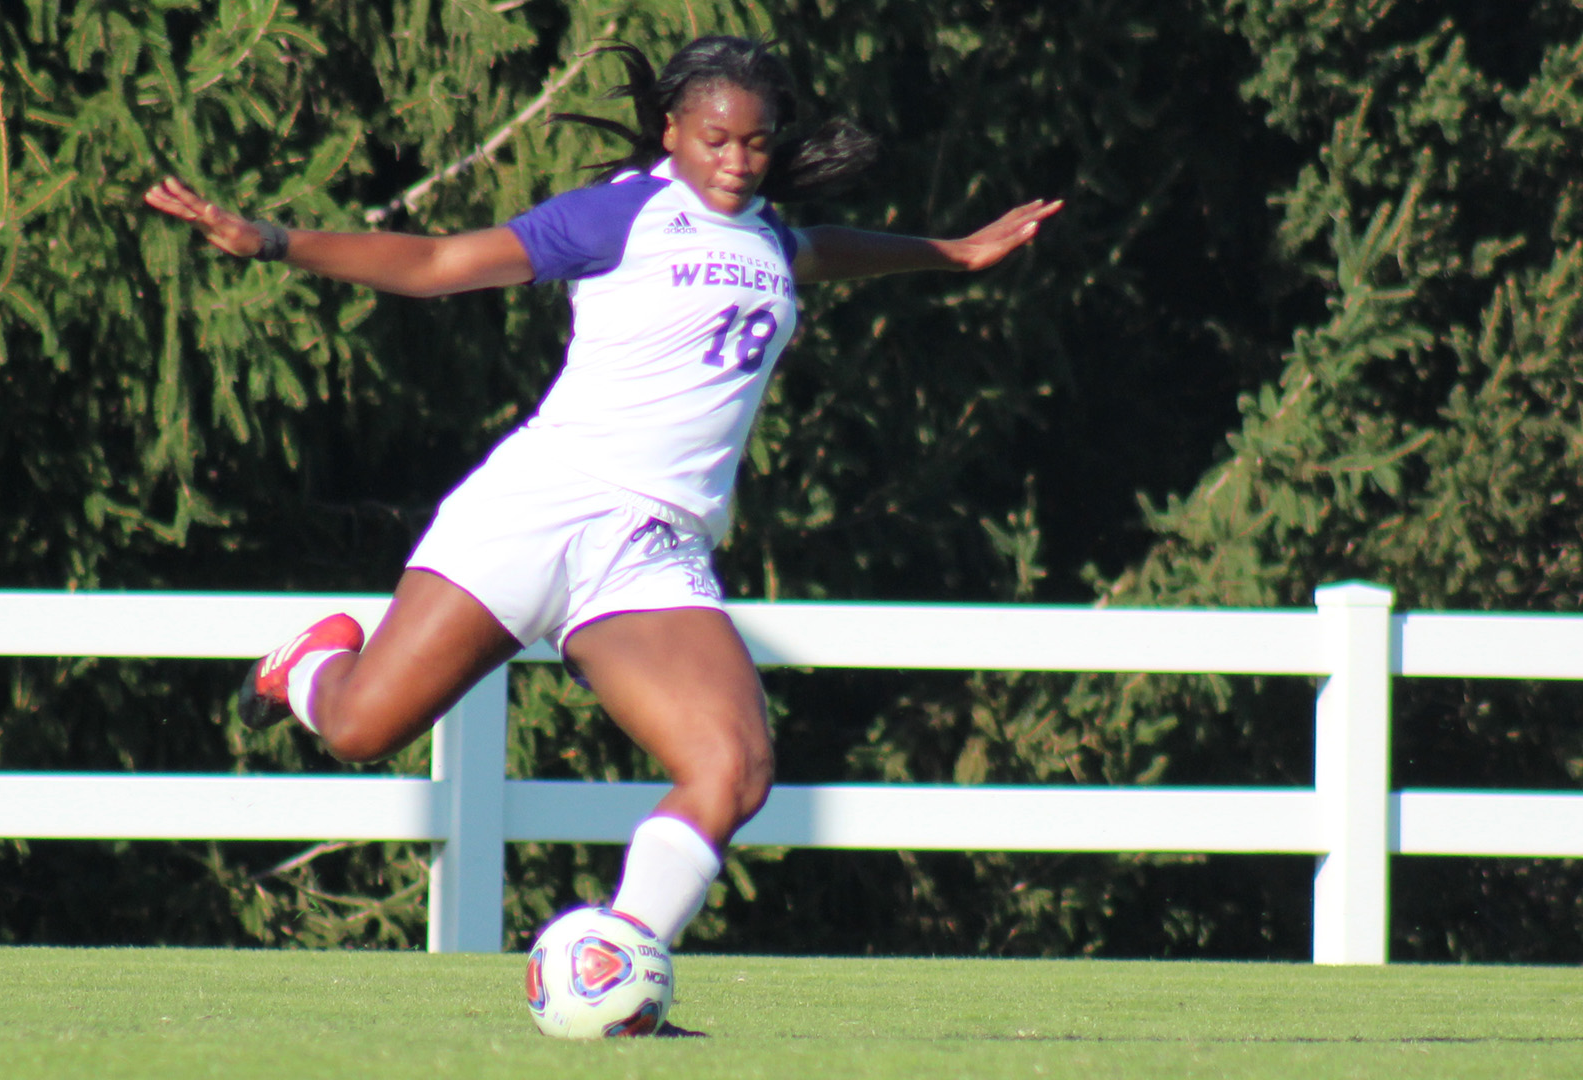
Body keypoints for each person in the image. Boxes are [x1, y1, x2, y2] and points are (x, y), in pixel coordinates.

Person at [145, 35, 1059, 952]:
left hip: (655, 548)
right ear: (671, 131)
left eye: (756, 143)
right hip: (544, 508)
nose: (737, 161)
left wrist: (949, 252)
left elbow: (824, 249)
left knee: (733, 769)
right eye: (715, 140)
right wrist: (271, 241)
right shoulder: (616, 219)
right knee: (356, 729)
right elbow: (432, 266)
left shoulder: (773, 237)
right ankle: (308, 660)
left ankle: (615, 965)